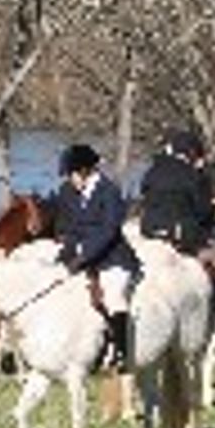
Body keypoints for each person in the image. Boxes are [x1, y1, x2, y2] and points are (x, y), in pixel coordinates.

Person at [53, 143, 139, 371]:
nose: (69, 179)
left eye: (71, 174)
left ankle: (121, 352)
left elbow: (109, 230)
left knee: (114, 296)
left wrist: (84, 256)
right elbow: (68, 228)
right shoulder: (67, 191)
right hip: (79, 256)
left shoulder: (109, 191)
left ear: (84, 171)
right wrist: (65, 256)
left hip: (112, 257)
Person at [139, 130, 215, 256]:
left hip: (149, 230)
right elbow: (203, 211)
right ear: (192, 153)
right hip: (181, 234)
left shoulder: (151, 172)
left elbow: (144, 196)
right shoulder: (192, 176)